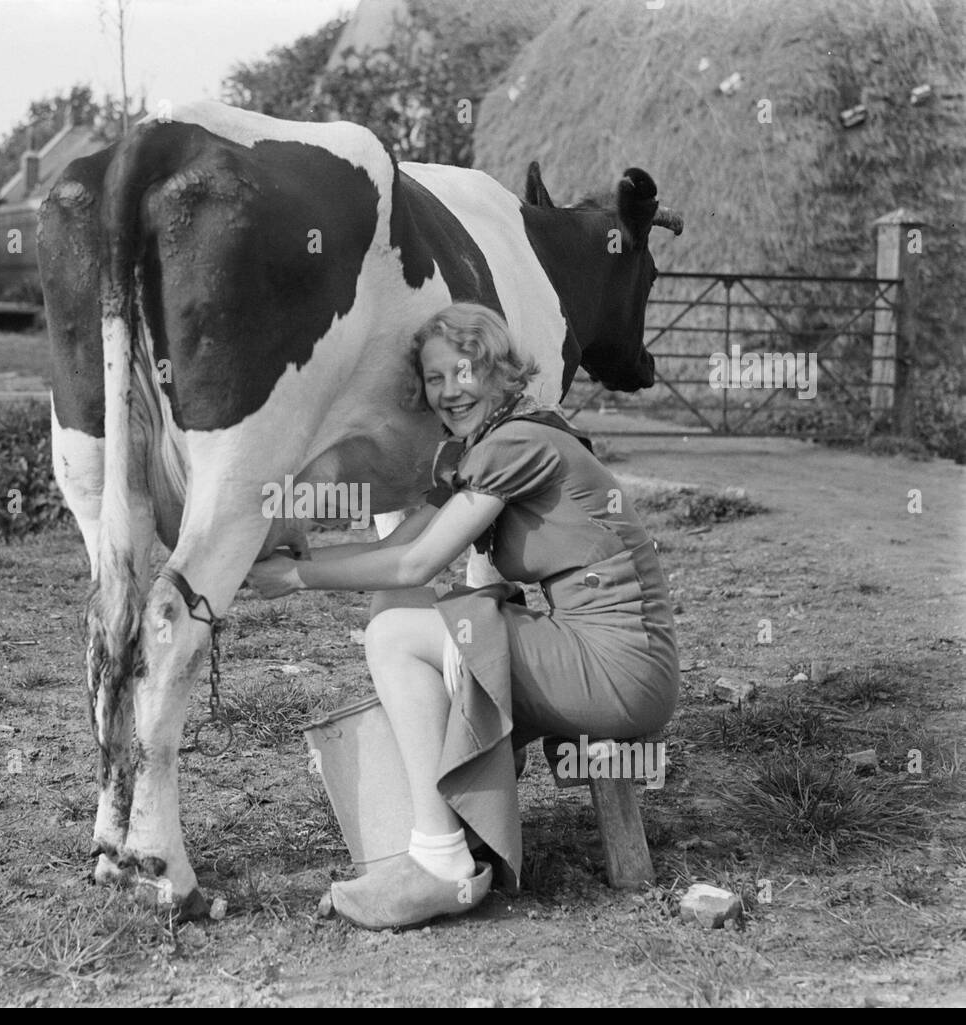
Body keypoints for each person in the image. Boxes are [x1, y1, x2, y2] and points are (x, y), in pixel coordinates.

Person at [247, 302, 680, 930]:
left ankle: (440, 861)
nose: (449, 391)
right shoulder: (493, 442)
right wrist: (298, 551)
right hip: (594, 651)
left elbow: (417, 562)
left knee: (397, 633)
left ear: (500, 372)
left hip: (621, 666)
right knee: (395, 612)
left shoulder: (518, 443)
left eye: (464, 371)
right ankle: (447, 820)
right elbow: (400, 551)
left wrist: (292, 578)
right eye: (434, 377)